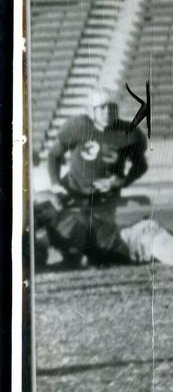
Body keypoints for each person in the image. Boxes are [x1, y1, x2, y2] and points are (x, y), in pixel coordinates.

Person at [40, 88, 150, 266]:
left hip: (105, 197)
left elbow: (141, 166)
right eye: (102, 107)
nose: (107, 112)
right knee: (69, 235)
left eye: (112, 107)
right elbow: (54, 156)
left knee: (103, 244)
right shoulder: (78, 127)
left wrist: (121, 181)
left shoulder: (129, 133)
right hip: (73, 191)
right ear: (92, 110)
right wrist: (55, 183)